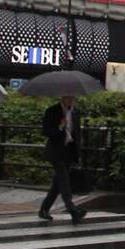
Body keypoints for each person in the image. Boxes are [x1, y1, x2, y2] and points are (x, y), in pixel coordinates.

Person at [39, 95, 87, 223]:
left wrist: (78, 154)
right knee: (65, 181)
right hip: (56, 152)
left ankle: (44, 209)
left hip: (69, 151)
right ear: (62, 98)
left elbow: (77, 134)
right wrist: (60, 127)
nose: (71, 100)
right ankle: (72, 210)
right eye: (68, 98)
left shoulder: (75, 112)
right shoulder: (52, 111)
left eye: (73, 98)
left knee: (58, 183)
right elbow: (46, 131)